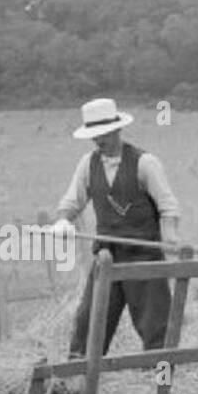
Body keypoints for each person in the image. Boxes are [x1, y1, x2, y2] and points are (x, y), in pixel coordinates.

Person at [53, 98, 181, 357]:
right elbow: (72, 201)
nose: (98, 141)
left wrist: (170, 236)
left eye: (102, 135)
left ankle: (163, 384)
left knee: (156, 327)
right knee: (89, 323)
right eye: (93, 136)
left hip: (144, 257)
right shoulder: (87, 165)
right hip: (106, 256)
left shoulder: (146, 163)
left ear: (116, 130)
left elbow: (168, 207)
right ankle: (75, 383)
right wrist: (64, 219)